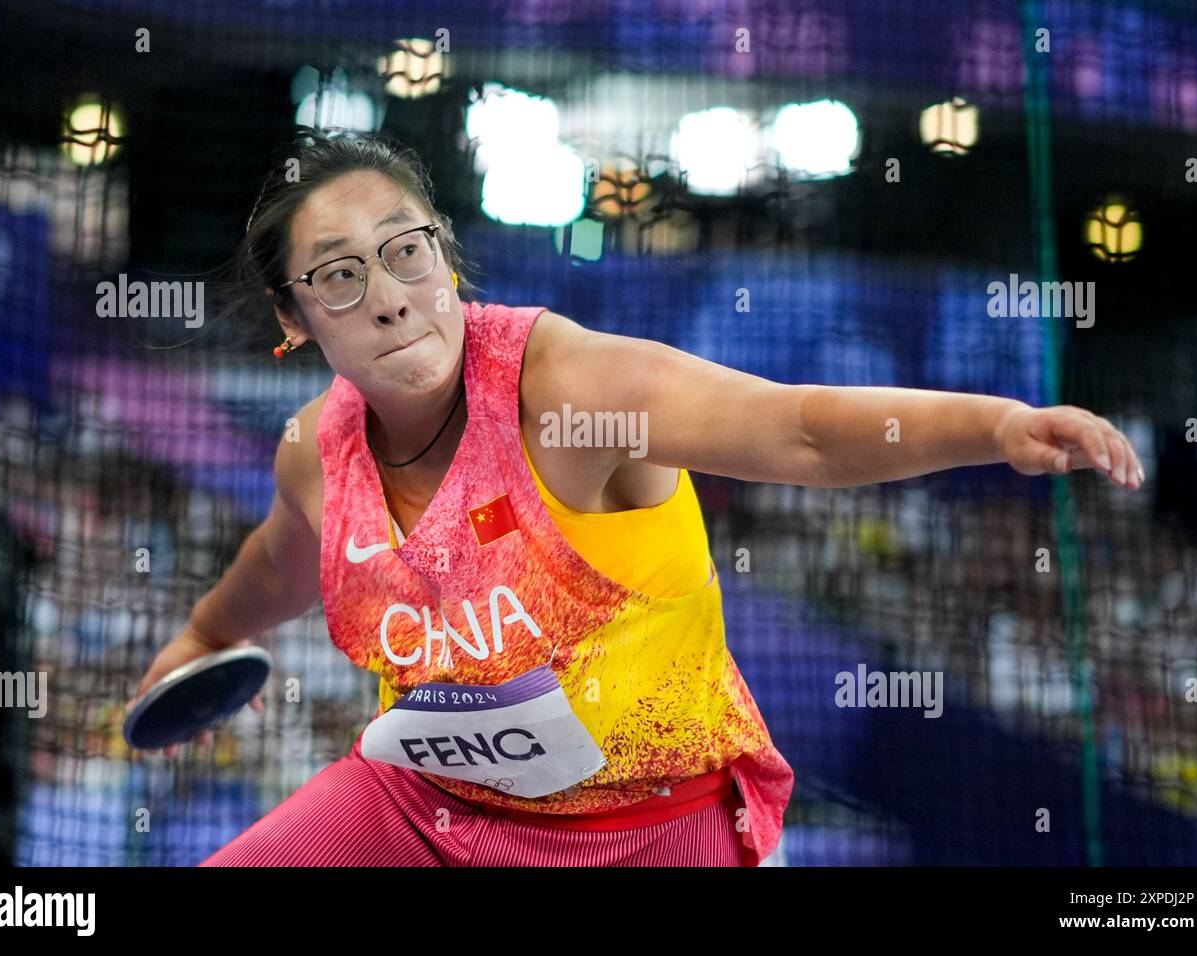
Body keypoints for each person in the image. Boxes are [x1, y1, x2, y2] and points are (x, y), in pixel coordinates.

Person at [129, 130, 1145, 867]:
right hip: (421, 807)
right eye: (338, 276)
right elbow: (281, 557)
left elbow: (796, 427)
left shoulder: (568, 392)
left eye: (405, 250)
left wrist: (993, 425)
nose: (389, 293)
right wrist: (204, 635)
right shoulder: (318, 448)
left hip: (653, 830)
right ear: (294, 316)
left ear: (443, 254)